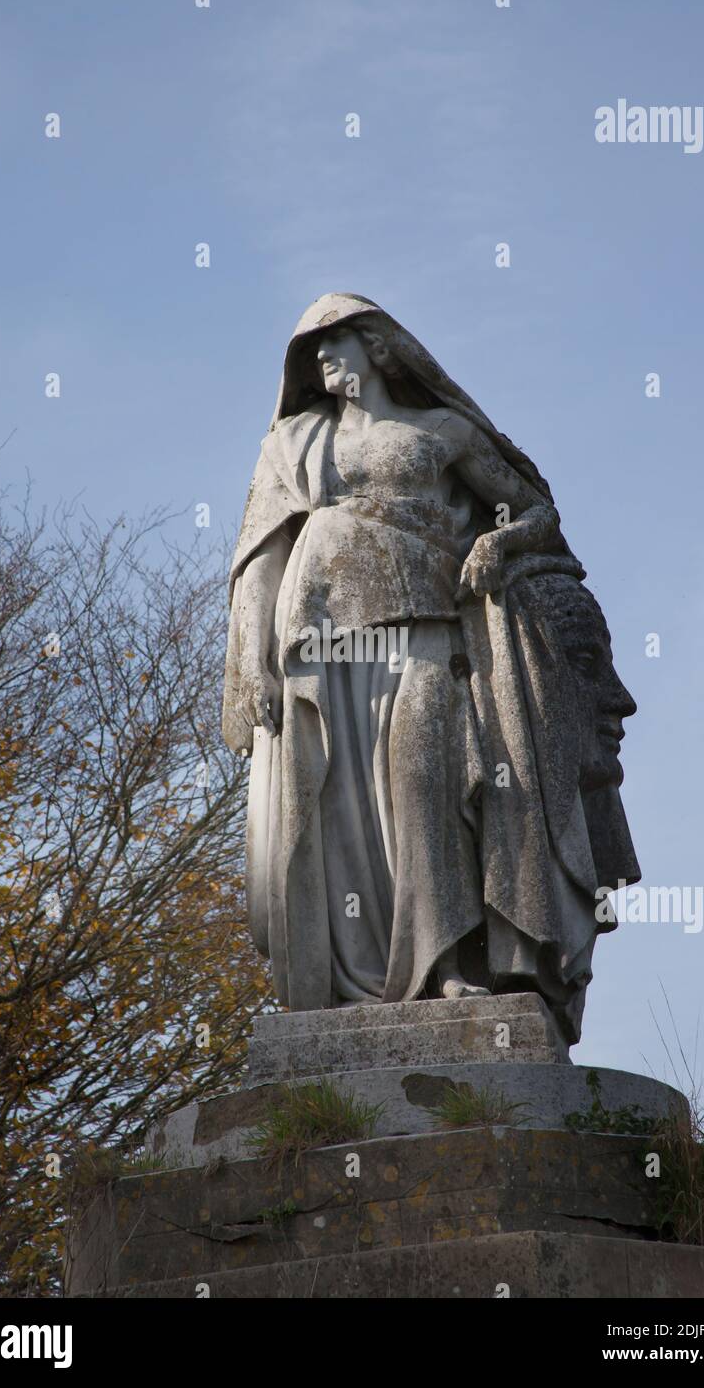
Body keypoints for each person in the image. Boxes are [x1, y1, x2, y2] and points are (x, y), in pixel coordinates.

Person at [222, 293, 639, 1043]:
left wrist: (497, 546)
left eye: (335, 342)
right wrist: (251, 659)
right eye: (310, 352)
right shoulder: (293, 444)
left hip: (423, 623)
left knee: (427, 786)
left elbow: (533, 510)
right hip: (320, 639)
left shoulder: (441, 431)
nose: (321, 360)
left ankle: (442, 962)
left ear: (379, 348)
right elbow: (260, 560)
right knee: (339, 804)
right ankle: (345, 986)